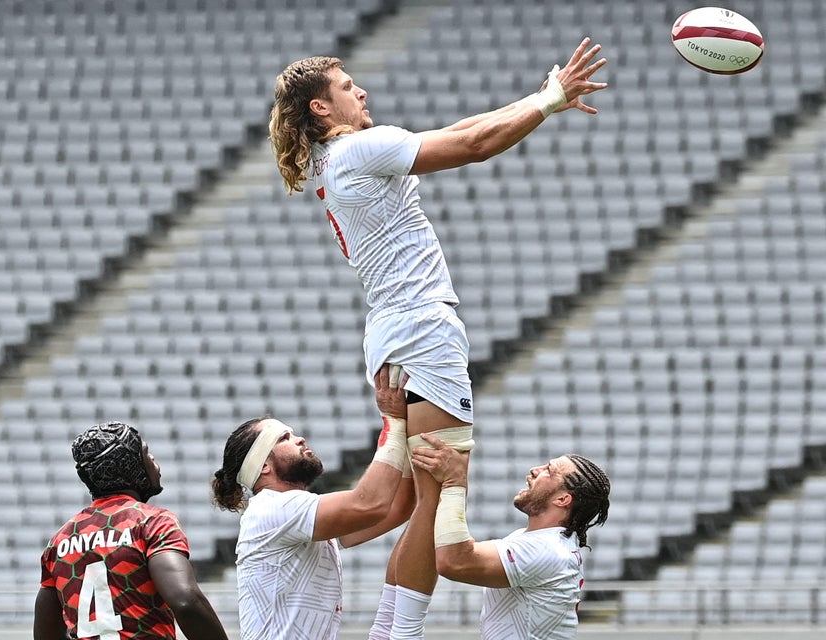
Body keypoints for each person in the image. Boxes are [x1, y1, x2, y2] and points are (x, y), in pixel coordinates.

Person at [267, 37, 608, 638]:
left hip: (395, 327)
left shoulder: (339, 158)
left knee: (416, 499)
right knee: (432, 497)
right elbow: (474, 145)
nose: (361, 90)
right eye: (347, 86)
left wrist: (539, 97)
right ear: (320, 107)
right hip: (423, 326)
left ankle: (391, 630)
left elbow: (459, 127)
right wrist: (550, 101)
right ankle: (398, 634)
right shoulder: (361, 150)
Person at [210, 364, 415, 640]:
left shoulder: (289, 512)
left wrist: (412, 434)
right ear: (264, 466)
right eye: (284, 438)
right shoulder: (272, 508)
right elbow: (372, 504)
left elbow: (398, 507)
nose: (299, 438)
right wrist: (393, 421)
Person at [33, 421, 229, 640]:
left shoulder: (60, 541)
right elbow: (185, 601)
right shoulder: (152, 522)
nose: (153, 458)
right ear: (128, 464)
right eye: (146, 452)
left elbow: (45, 633)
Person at [411, 433, 611, 639]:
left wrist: (455, 481)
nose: (535, 470)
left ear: (563, 499)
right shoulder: (543, 542)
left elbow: (454, 562)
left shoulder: (545, 549)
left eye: (549, 471)